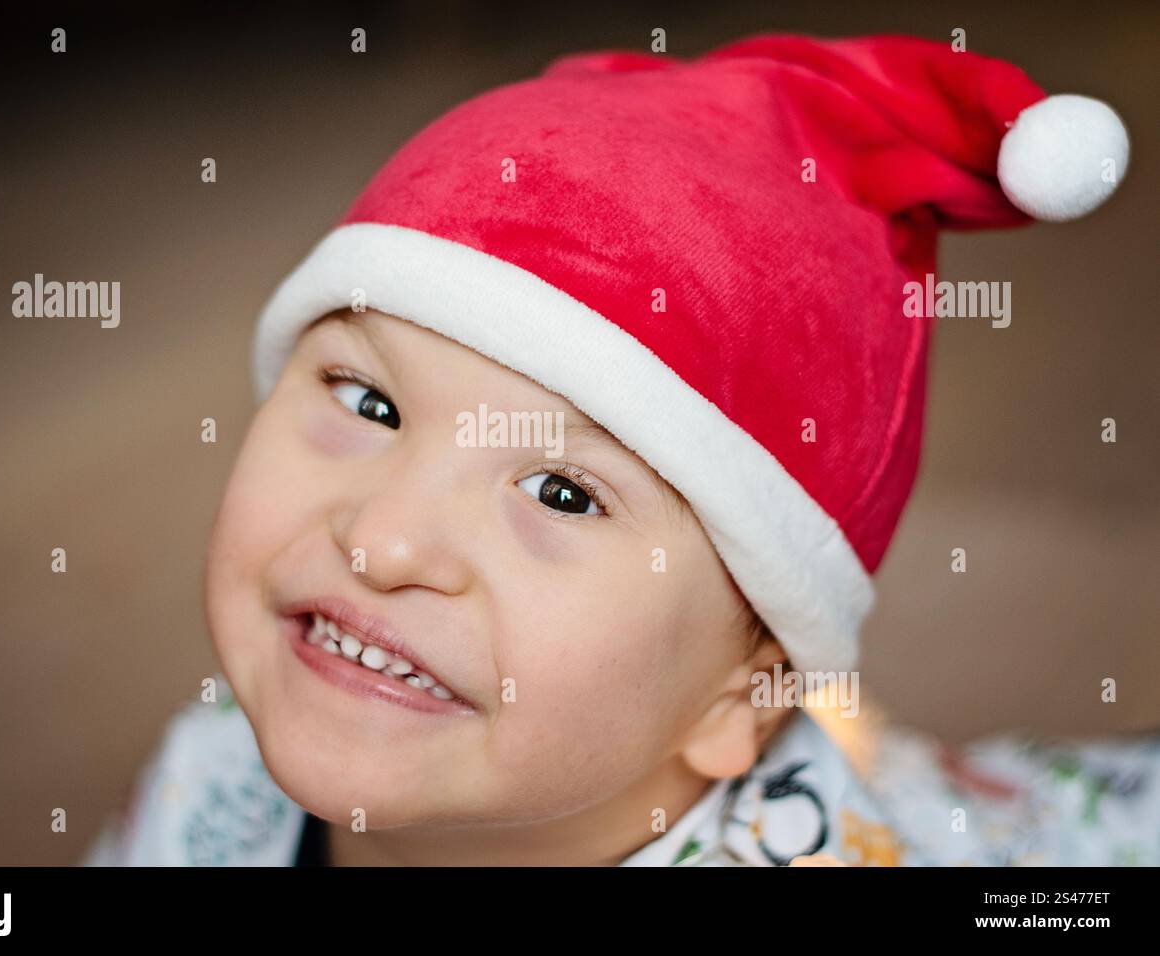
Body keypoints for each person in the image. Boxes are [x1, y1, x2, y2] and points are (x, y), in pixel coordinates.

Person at [82, 32, 1157, 866]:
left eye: (561, 490)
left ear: (740, 700)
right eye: (368, 403)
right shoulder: (215, 766)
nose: (384, 537)